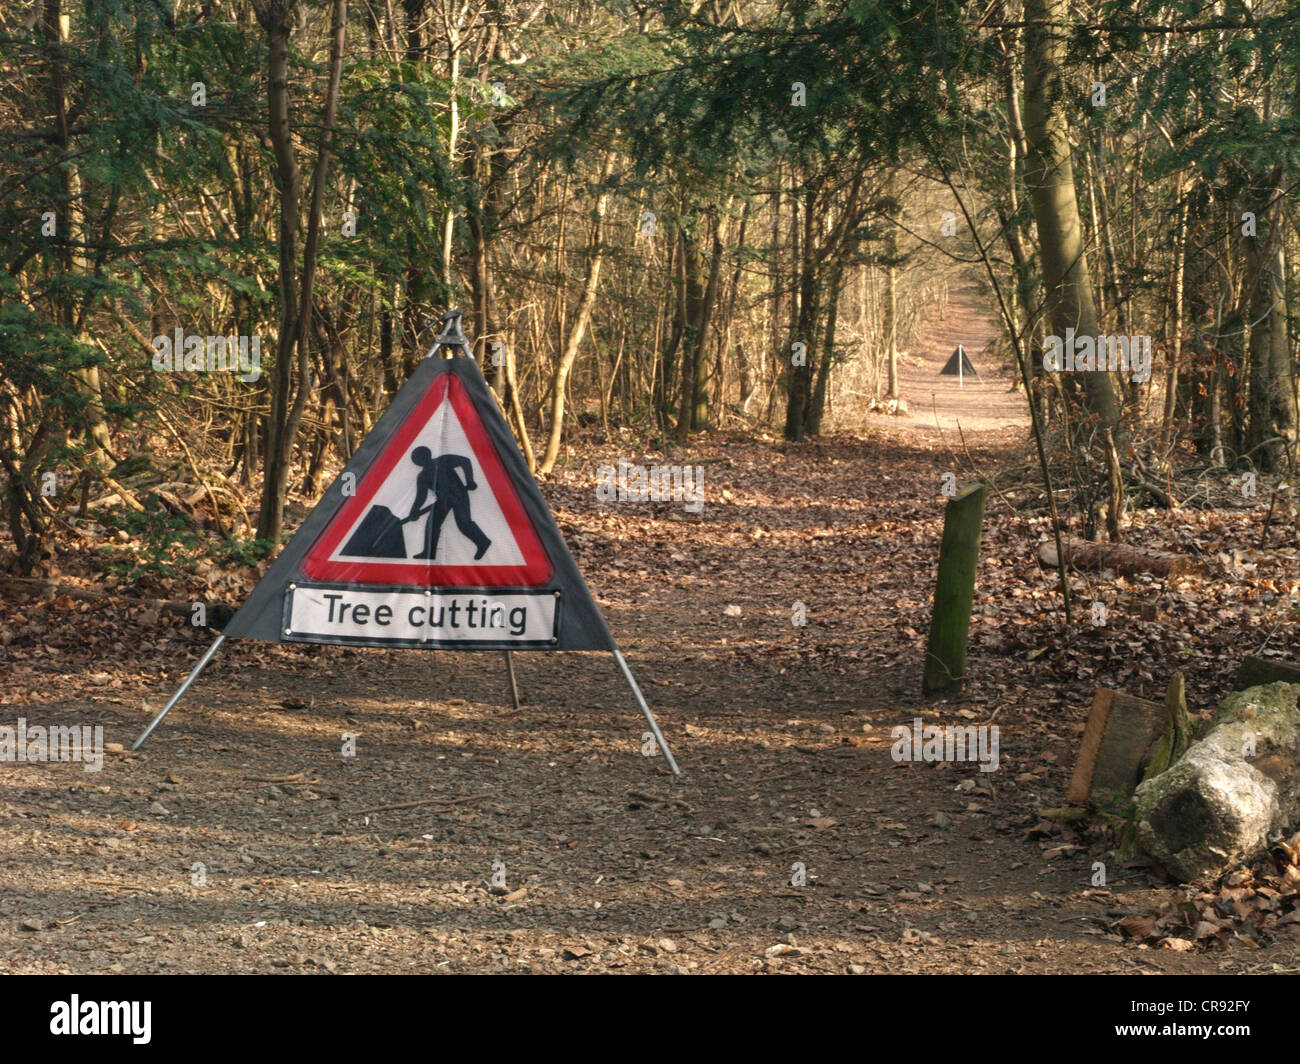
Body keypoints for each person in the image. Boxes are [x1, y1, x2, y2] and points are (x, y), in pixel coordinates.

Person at [406, 446, 492, 560]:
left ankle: (483, 542)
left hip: (458, 495)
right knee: (432, 524)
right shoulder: (422, 476)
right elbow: (421, 496)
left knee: (464, 523)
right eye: (418, 460)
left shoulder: (443, 461)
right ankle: (429, 552)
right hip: (442, 500)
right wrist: (414, 511)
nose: (421, 461)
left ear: (427, 455)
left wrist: (470, 480)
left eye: (421, 458)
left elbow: (465, 461)